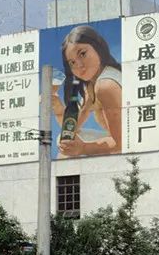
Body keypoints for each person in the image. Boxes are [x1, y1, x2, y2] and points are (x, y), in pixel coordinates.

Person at [52, 25, 122, 157]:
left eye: (83, 54)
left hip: (134, 148)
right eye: (72, 63)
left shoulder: (106, 86)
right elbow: (72, 128)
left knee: (67, 151)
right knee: (65, 141)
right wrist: (57, 107)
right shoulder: (92, 84)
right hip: (123, 143)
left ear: (98, 47)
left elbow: (123, 142)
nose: (79, 65)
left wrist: (83, 148)